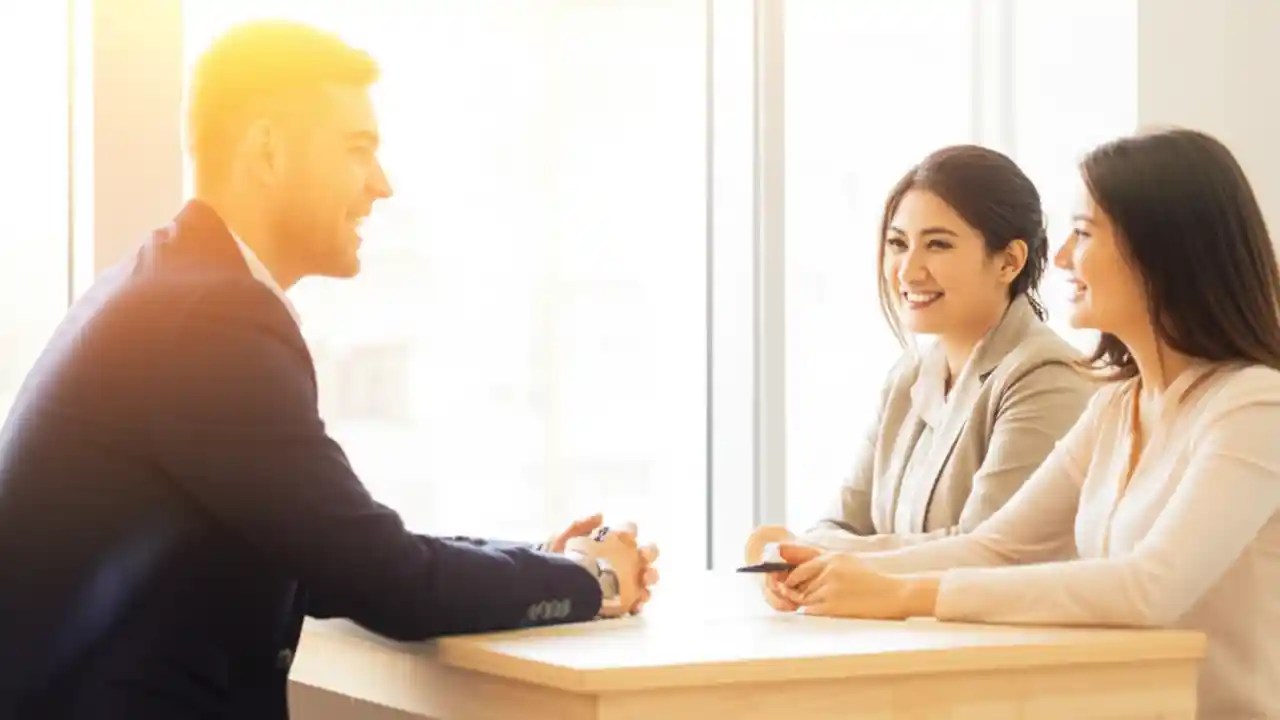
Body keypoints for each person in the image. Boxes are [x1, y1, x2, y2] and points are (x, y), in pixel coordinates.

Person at [0, 20, 657, 719]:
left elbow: (332, 547)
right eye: (357, 150)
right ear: (268, 150)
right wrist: (594, 581)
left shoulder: (174, 287)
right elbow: (387, 582)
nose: (382, 184)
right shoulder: (209, 320)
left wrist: (543, 560)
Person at [771, 128, 1280, 720]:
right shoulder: (1118, 405)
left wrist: (906, 593)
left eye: (1083, 233)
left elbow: (1150, 587)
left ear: (1163, 251)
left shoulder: (1254, 406)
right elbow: (999, 547)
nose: (1060, 256)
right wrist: (830, 571)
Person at [746, 146, 1094, 601]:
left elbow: (987, 552)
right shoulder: (908, 377)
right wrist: (800, 564)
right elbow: (839, 522)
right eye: (897, 244)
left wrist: (814, 556)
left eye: (938, 244)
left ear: (1009, 262)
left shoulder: (1046, 376)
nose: (908, 270)